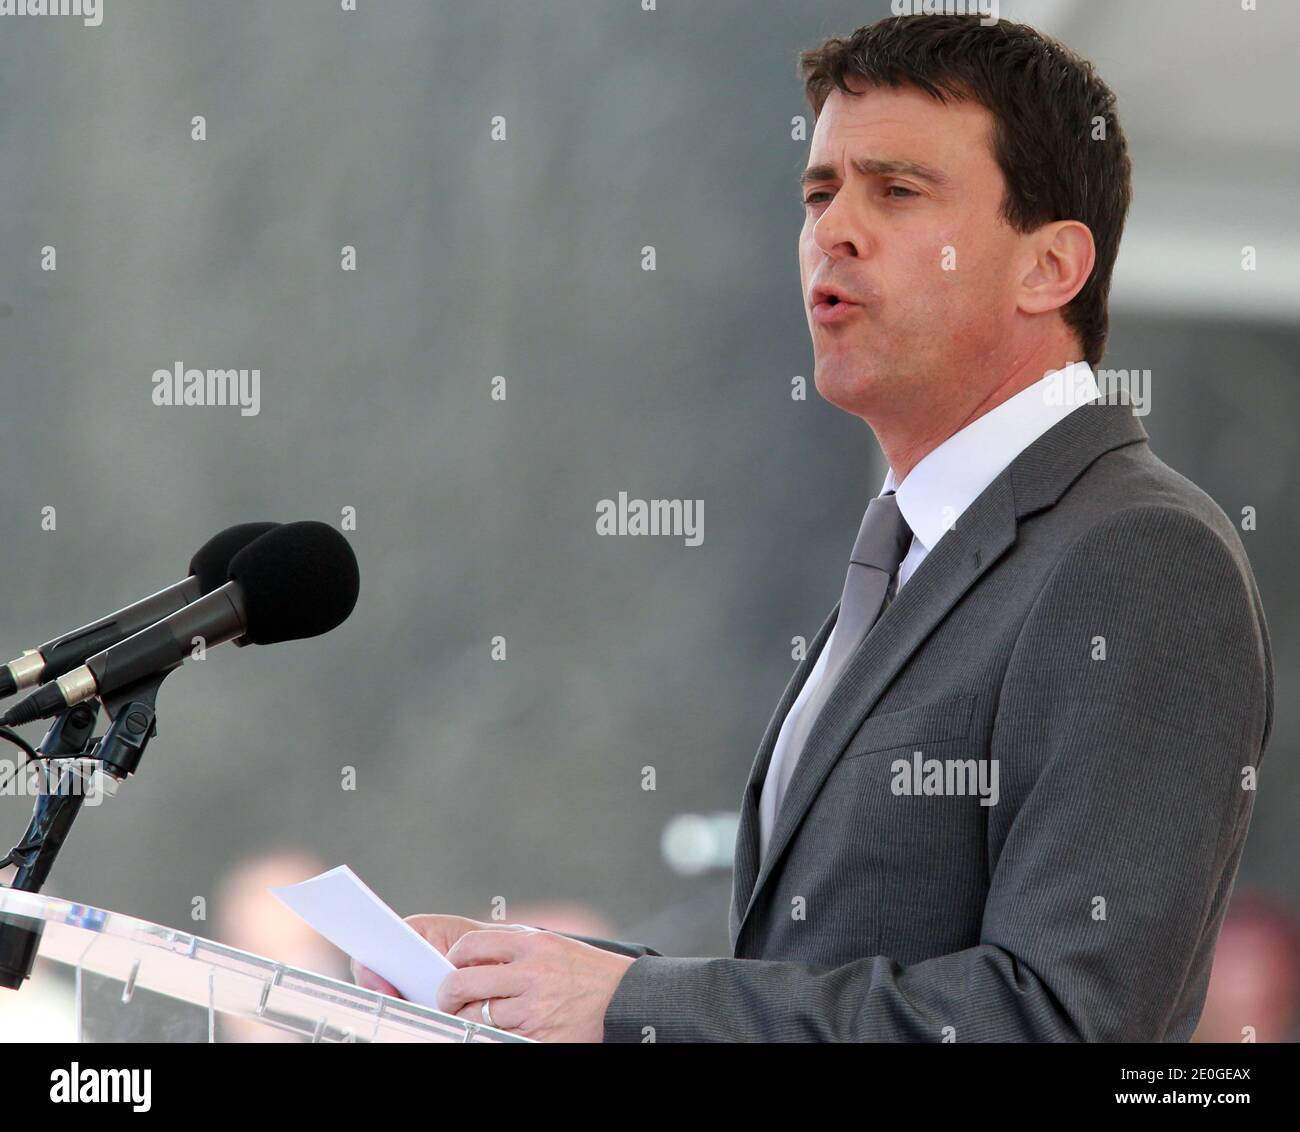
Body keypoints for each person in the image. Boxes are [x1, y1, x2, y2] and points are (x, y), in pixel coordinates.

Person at [355, 14, 1273, 1042]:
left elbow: (1062, 1020)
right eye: (819, 191)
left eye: (897, 190)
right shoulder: (914, 543)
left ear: (1049, 267)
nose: (833, 229)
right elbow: (814, 969)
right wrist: (531, 982)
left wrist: (631, 1007)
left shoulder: (1137, 556)